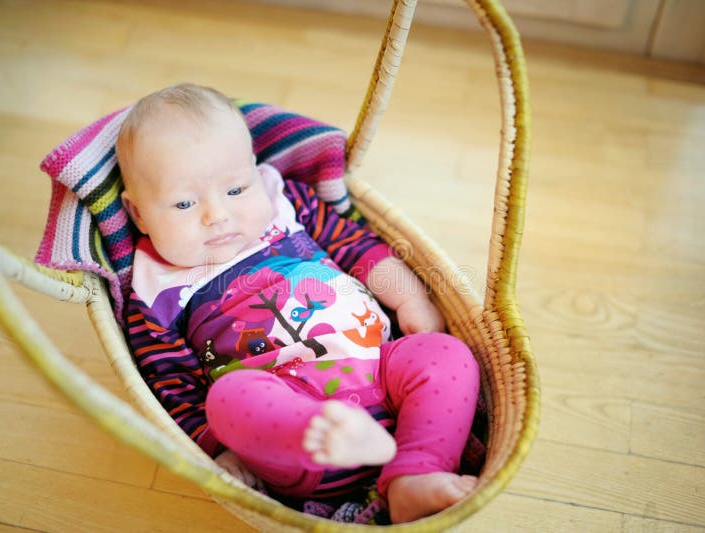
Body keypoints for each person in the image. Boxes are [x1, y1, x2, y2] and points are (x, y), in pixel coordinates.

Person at [118, 83, 480, 524]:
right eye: (184, 203)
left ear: (256, 170)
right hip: (291, 432)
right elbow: (170, 381)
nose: (217, 215)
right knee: (229, 397)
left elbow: (354, 245)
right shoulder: (155, 285)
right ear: (138, 214)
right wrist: (220, 447)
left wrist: (409, 297)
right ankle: (329, 435)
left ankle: (416, 473)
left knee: (446, 354)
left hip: (382, 375)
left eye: (236, 190)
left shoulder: (284, 205)